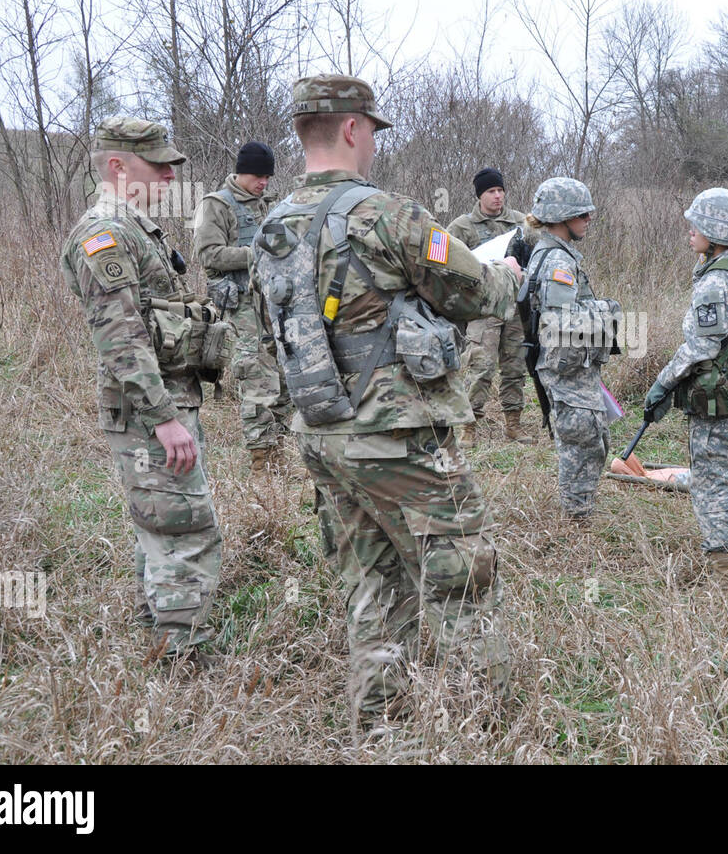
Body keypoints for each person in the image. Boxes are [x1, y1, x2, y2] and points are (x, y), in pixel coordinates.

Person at [253, 75, 522, 733]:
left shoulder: (273, 226)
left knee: (372, 584)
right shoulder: (388, 215)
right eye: (371, 130)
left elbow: (270, 332)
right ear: (352, 129)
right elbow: (478, 295)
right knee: (464, 570)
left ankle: (382, 728)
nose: (372, 143)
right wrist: (507, 276)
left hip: (320, 431)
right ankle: (483, 727)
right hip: (396, 435)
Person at [60, 116, 226, 661]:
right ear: (117, 166)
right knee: (185, 528)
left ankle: (161, 638)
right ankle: (183, 656)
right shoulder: (102, 233)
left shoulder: (135, 227)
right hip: (148, 412)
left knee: (159, 525)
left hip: (165, 402)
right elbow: (122, 338)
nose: (169, 176)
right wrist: (162, 417)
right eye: (158, 165)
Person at [643, 188, 728, 588]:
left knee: (714, 475)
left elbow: (703, 344)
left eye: (697, 225)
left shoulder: (717, 279)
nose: (690, 231)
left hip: (726, 389)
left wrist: (663, 382)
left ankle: (725, 575)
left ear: (717, 232)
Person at [521, 177, 619, 519]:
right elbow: (560, 323)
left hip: (570, 367)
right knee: (583, 442)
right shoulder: (558, 263)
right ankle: (577, 519)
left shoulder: (554, 254)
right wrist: (608, 311)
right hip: (566, 368)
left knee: (590, 438)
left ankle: (579, 510)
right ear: (562, 218)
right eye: (582, 214)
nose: (589, 219)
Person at [193, 141, 293, 470]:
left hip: (277, 303)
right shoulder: (217, 205)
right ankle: (261, 461)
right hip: (243, 307)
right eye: (258, 176)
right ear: (241, 172)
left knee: (283, 376)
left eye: (268, 177)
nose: (263, 182)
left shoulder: (271, 205)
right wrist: (257, 255)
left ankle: (279, 449)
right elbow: (209, 254)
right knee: (257, 377)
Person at [447, 168, 533, 446]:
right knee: (480, 367)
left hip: (517, 306)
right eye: (490, 192)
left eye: (500, 191)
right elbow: (446, 261)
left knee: (515, 366)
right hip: (482, 308)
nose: (497, 197)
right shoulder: (462, 226)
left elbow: (536, 253)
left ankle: (513, 424)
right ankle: (469, 428)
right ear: (479, 196)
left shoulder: (521, 222)